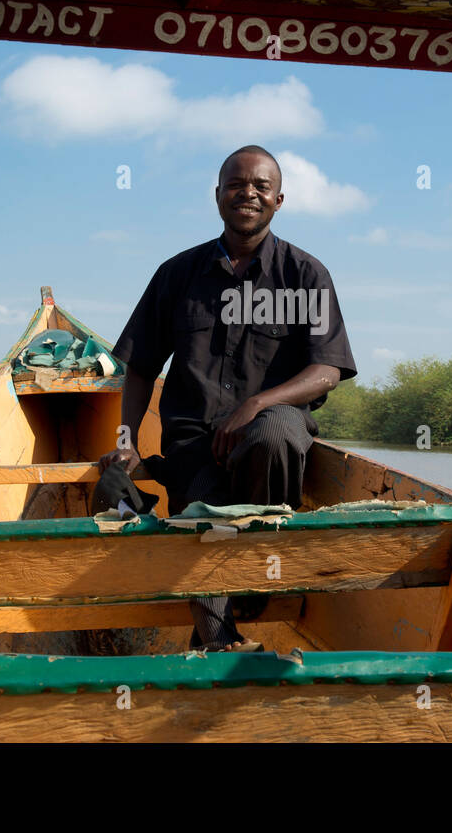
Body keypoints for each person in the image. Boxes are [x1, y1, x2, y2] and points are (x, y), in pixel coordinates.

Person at [98, 145, 357, 651]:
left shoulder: (306, 275)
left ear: (279, 200)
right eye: (237, 185)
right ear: (218, 196)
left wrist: (256, 404)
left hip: (269, 451)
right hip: (196, 446)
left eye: (261, 186)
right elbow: (141, 366)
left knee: (276, 429)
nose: (249, 194)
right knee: (203, 511)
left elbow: (327, 369)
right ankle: (219, 637)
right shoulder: (178, 274)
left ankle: (254, 574)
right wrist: (127, 442)